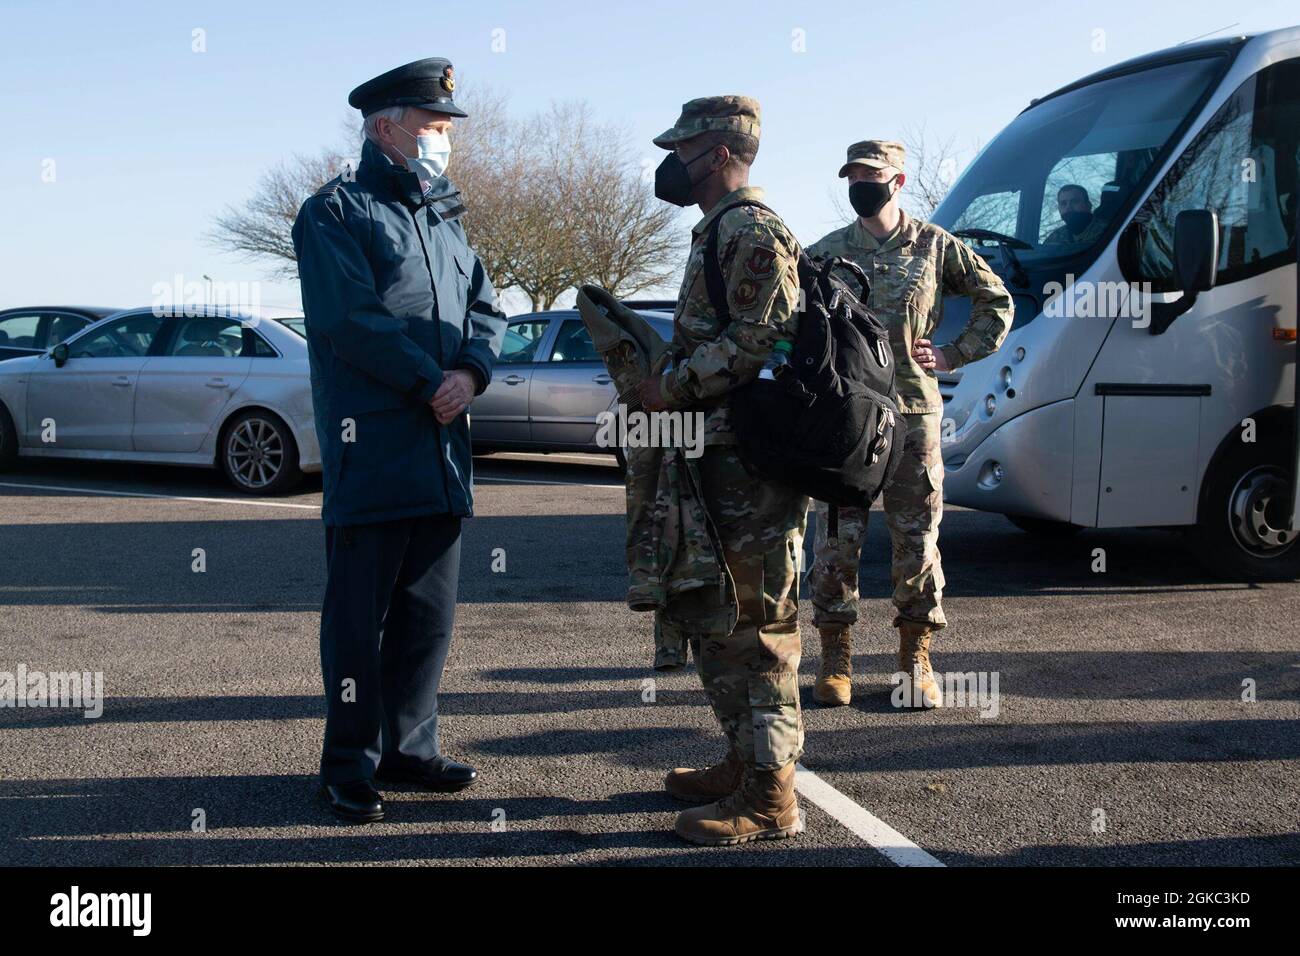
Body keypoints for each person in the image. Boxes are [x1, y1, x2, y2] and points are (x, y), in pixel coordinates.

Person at [292, 57, 506, 824]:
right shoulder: (335, 212)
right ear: (387, 128)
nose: (444, 139)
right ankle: (348, 764)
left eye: (444, 127)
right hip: (375, 447)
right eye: (434, 126)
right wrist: (431, 382)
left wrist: (472, 373)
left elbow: (488, 309)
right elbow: (349, 320)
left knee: (427, 616)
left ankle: (411, 750)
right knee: (358, 621)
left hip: (442, 451)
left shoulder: (446, 219)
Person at [639, 95, 808, 846]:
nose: (671, 162)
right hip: (714, 460)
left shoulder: (751, 230)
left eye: (682, 149)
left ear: (717, 154)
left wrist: (666, 387)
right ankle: (743, 764)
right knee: (720, 620)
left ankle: (772, 799)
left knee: (762, 629)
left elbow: (761, 342)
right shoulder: (718, 230)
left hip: (751, 470)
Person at [805, 140, 1013, 709]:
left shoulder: (934, 246)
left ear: (897, 182)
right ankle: (834, 656)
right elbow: (794, 322)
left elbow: (995, 300)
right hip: (847, 418)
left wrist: (954, 353)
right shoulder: (825, 253)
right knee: (837, 541)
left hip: (914, 414)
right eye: (851, 177)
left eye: (869, 176)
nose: (858, 186)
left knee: (917, 538)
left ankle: (914, 657)